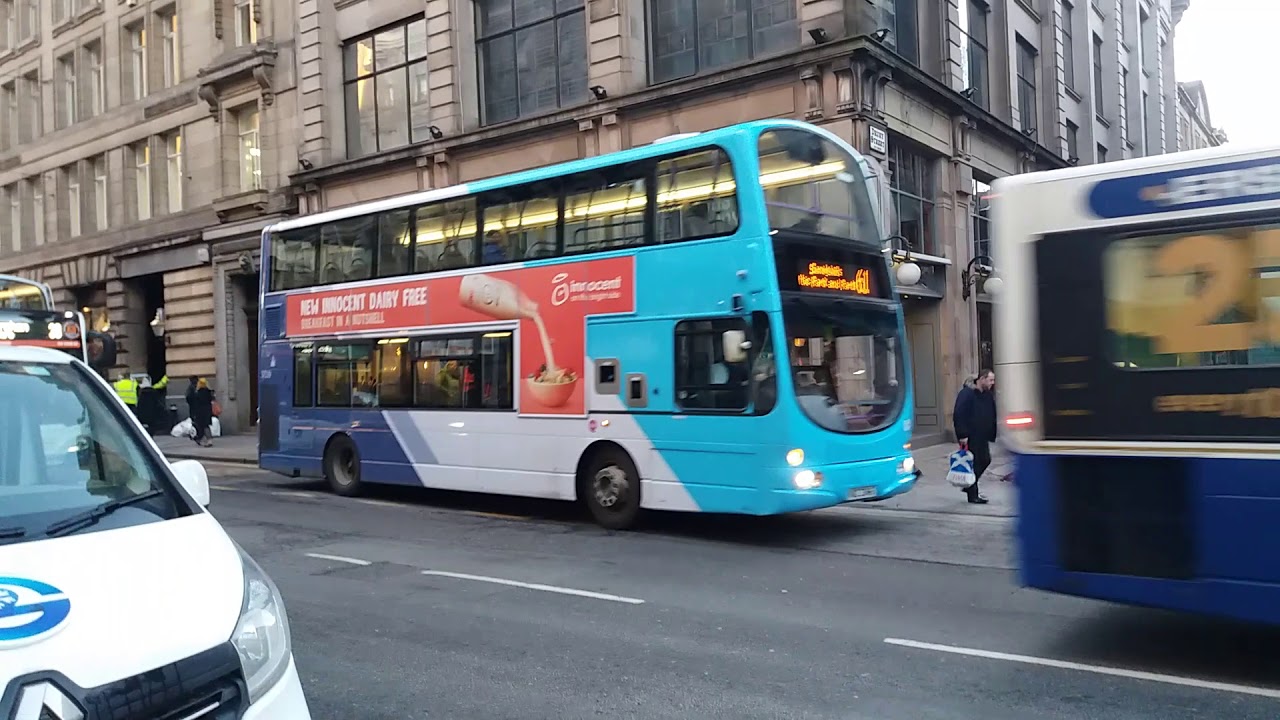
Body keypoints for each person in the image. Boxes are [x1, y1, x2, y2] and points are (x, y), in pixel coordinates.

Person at [952, 369, 997, 505]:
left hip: (982, 435)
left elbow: (991, 413)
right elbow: (959, 414)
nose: (992, 383)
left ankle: (969, 484)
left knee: (985, 460)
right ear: (982, 379)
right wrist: (962, 434)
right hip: (970, 435)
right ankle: (972, 494)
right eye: (990, 380)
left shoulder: (987, 395)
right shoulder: (966, 394)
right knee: (974, 463)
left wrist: (991, 432)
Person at [187, 378, 215, 447]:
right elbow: (211, 400)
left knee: (202, 426)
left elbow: (194, 403)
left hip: (200, 412)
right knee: (205, 425)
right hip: (208, 411)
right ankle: (203, 439)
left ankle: (206, 440)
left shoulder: (198, 393)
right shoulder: (209, 392)